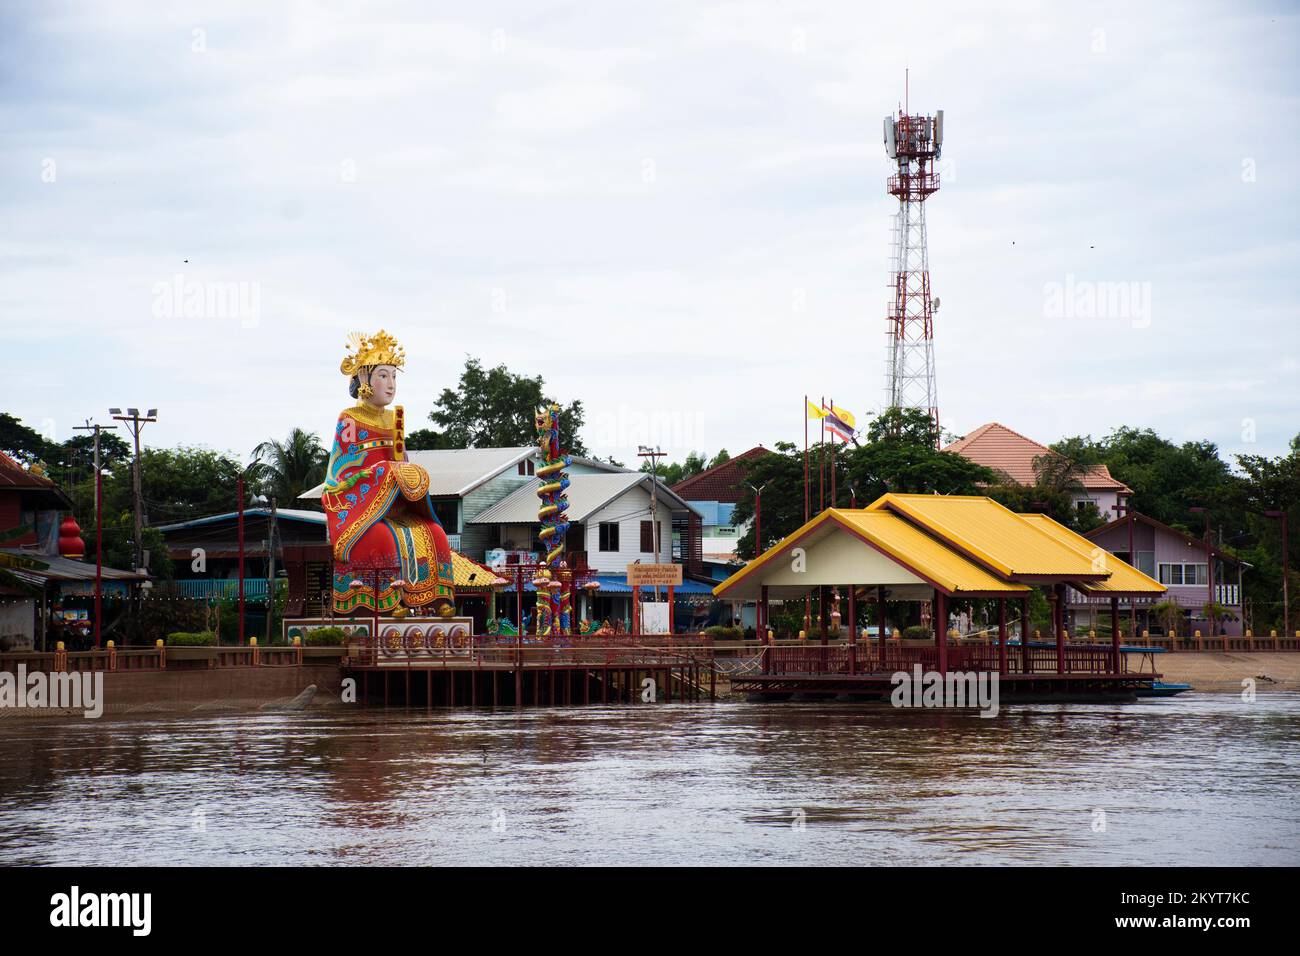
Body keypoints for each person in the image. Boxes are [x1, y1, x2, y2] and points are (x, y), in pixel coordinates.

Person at [323, 330, 455, 617]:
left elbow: (401, 462)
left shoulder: (395, 419)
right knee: (382, 537)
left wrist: (409, 472)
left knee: (436, 533)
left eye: (394, 376)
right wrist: (385, 471)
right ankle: (386, 601)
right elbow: (341, 476)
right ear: (364, 379)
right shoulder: (349, 419)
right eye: (383, 375)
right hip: (361, 510)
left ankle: (433, 601)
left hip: (394, 505)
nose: (391, 384)